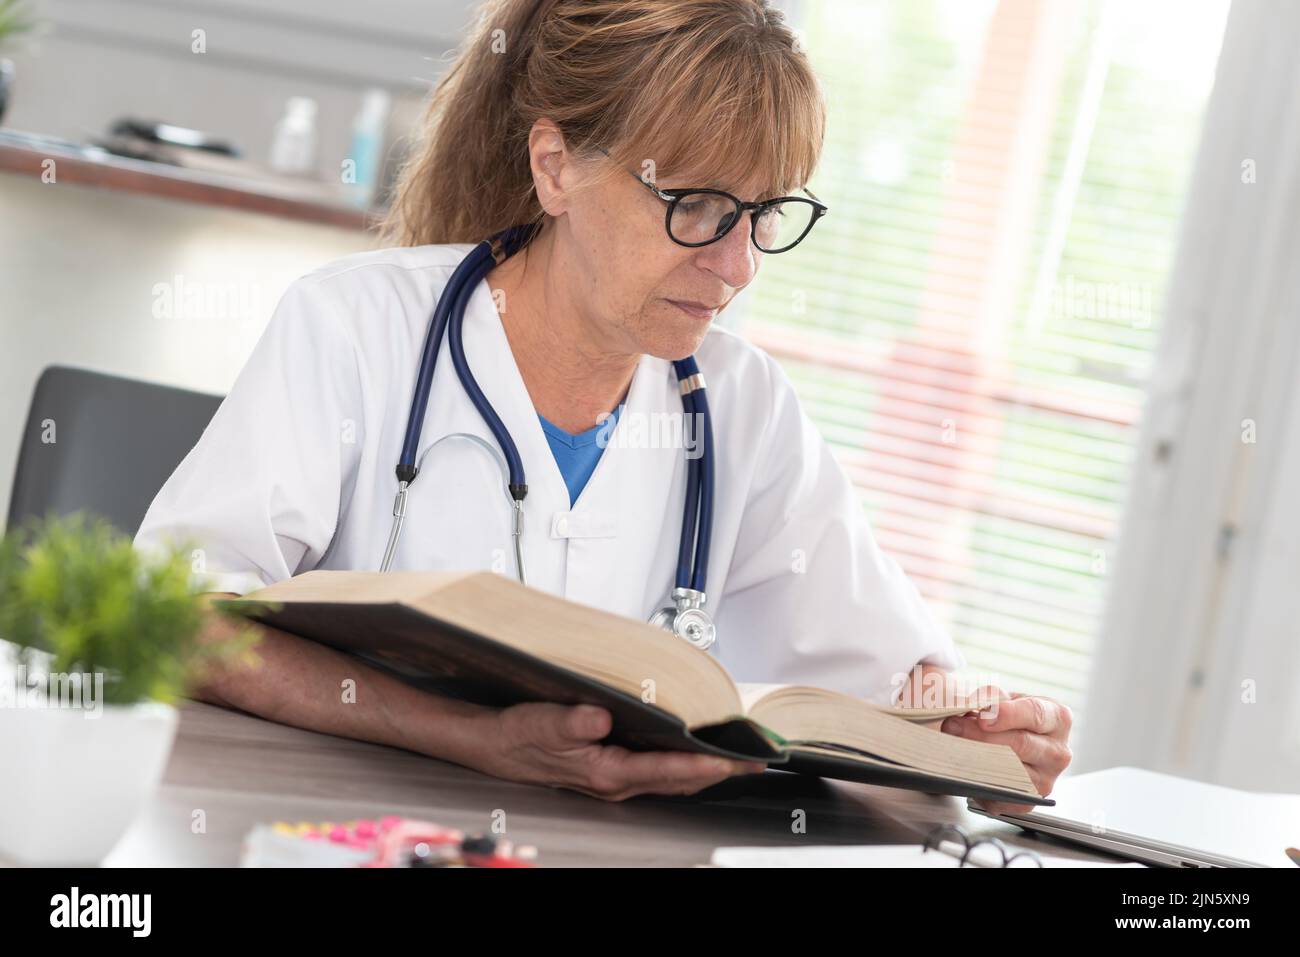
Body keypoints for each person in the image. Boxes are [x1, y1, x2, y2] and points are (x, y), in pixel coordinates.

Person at [135, 0, 1071, 808]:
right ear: (556, 167)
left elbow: (894, 676)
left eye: (764, 215)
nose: (736, 266)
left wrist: (985, 729)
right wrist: (466, 736)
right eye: (697, 206)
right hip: (329, 832)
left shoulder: (741, 411)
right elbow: (174, 615)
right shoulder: (355, 330)